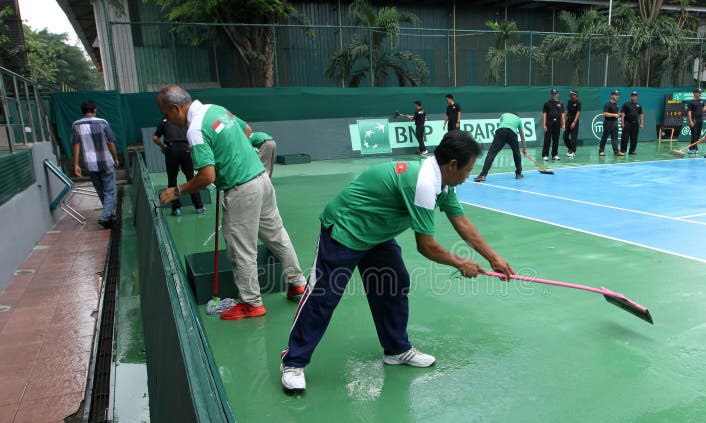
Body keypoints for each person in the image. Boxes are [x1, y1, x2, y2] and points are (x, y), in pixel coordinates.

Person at [278, 131, 515, 392]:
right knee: (324, 295)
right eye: (468, 169)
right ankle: (293, 362)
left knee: (394, 283)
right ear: (452, 165)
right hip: (346, 229)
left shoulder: (444, 183)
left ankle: (396, 350)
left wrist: (494, 258)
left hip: (378, 233)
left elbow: (462, 222)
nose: (468, 175)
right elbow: (426, 246)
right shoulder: (423, 182)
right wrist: (461, 263)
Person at [155, 85, 307, 320]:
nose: (167, 120)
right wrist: (227, 155)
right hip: (261, 180)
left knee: (241, 249)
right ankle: (297, 283)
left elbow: (207, 177)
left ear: (176, 108)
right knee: (277, 236)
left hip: (242, 190)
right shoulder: (216, 110)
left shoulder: (195, 131)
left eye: (166, 114)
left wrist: (177, 191)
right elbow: (246, 130)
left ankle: (251, 303)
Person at [71, 100, 119, 228]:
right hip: (106, 161)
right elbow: (111, 142)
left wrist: (76, 164)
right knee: (109, 191)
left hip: (90, 164)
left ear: (82, 111)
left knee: (101, 191)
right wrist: (115, 157)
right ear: (95, 110)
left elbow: (76, 145)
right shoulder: (103, 123)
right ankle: (104, 217)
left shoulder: (76, 125)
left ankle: (111, 216)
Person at [152, 118, 205, 216]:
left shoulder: (163, 122)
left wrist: (163, 147)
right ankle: (199, 207)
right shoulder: (183, 121)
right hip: (186, 150)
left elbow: (155, 138)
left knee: (172, 180)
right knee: (191, 179)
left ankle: (176, 209)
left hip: (171, 150)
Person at [474, 112, 526, 182]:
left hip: (501, 132)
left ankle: (483, 175)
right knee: (517, 154)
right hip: (512, 133)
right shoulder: (518, 119)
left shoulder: (504, 115)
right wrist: (524, 148)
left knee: (491, 153)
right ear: (517, 116)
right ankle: (519, 174)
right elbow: (522, 136)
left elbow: (502, 125)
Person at [541, 88, 565, 162]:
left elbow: (562, 114)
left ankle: (554, 155)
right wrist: (544, 125)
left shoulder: (560, 103)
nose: (554, 95)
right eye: (553, 94)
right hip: (549, 123)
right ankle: (545, 155)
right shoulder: (547, 103)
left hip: (557, 124)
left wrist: (563, 124)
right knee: (547, 139)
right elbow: (544, 115)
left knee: (556, 139)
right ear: (551, 94)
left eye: (555, 94)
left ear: (558, 94)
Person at [599, 90, 624, 157]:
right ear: (611, 96)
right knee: (604, 137)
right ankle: (601, 151)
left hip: (615, 123)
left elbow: (616, 114)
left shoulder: (617, 105)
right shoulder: (607, 104)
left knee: (615, 138)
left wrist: (619, 115)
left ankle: (616, 151)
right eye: (615, 95)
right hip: (608, 123)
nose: (617, 96)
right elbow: (604, 114)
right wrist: (614, 115)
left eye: (618, 95)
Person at [620, 91, 644, 155]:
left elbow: (641, 115)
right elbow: (622, 114)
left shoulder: (639, 105)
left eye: (635, 96)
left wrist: (641, 123)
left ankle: (632, 151)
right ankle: (623, 151)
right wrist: (622, 122)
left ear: (637, 97)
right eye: (633, 96)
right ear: (631, 97)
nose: (634, 97)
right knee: (625, 138)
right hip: (627, 123)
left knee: (634, 138)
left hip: (635, 124)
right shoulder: (626, 104)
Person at [686, 88, 706, 155]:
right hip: (694, 120)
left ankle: (694, 148)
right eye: (699, 93)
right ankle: (692, 148)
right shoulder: (691, 102)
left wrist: (703, 109)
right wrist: (690, 121)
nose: (700, 94)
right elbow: (689, 112)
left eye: (700, 93)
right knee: (694, 134)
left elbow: (704, 106)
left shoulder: (701, 101)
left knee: (698, 134)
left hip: (700, 120)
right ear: (695, 93)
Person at [563, 89, 582, 158]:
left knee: (574, 138)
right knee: (565, 136)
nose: (571, 95)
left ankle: (573, 151)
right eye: (571, 94)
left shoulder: (579, 102)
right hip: (568, 120)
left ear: (576, 95)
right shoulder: (569, 101)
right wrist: (563, 120)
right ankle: (570, 148)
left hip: (575, 121)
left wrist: (574, 122)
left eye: (573, 94)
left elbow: (578, 113)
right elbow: (567, 110)